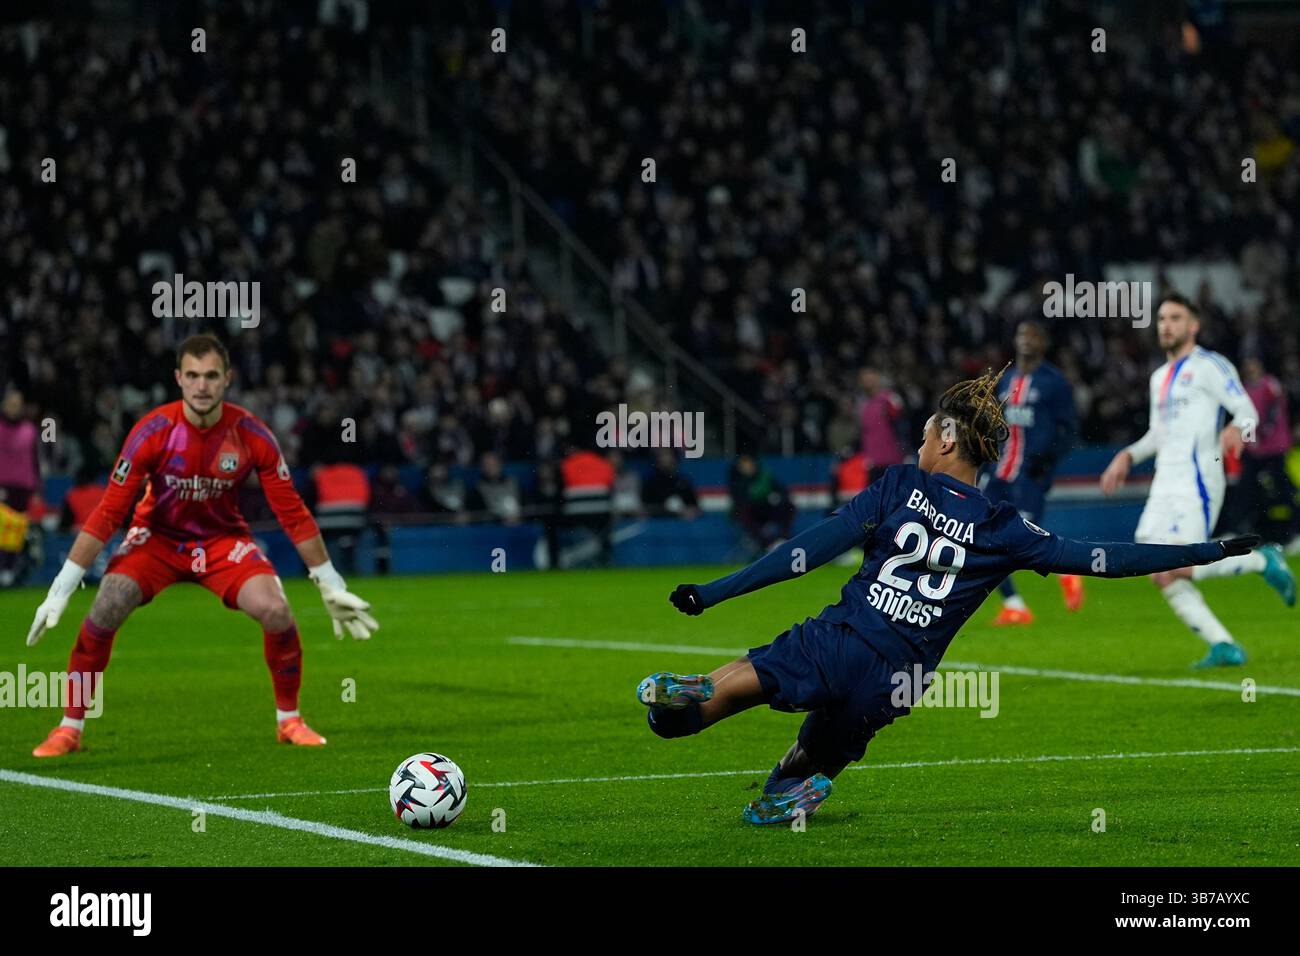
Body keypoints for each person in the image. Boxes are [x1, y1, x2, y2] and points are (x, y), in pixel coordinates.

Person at [636, 368, 1263, 825]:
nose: (918, 443)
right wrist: (1206, 550)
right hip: (897, 679)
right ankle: (787, 788)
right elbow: (1104, 559)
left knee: (691, 712)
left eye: (928, 432)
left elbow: (805, 553)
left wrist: (714, 593)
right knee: (812, 757)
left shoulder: (898, 485)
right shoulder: (1006, 527)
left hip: (842, 637)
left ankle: (690, 696)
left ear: (947, 443)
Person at [24, 334, 378, 757]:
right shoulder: (153, 431)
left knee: (276, 609)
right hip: (157, 538)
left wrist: (329, 581)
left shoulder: (251, 434)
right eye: (192, 375)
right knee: (107, 604)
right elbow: (108, 512)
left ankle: (290, 720)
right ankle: (69, 728)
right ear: (178, 378)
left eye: (211, 375)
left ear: (227, 379)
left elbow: (293, 512)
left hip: (221, 540)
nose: (202, 385)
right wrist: (60, 589)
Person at [1100, 295, 1294, 668]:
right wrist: (1127, 455)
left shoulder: (1210, 366)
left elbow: (1247, 411)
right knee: (1157, 571)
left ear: (1193, 326)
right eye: (1161, 319)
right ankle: (1224, 646)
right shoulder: (1159, 378)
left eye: (1175, 318)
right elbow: (1158, 435)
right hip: (1165, 482)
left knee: (1177, 563)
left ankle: (1262, 561)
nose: (1166, 325)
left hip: (1198, 480)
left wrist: (1238, 429)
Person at [982, 320, 1084, 624]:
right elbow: (996, 422)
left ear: (1043, 343)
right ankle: (1015, 605)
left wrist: (1048, 459)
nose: (1026, 340)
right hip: (999, 473)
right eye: (1022, 333)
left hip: (1031, 475)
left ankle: (1064, 570)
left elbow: (1069, 429)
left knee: (1016, 541)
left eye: (1033, 335)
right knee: (981, 537)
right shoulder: (1006, 379)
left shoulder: (1054, 382)